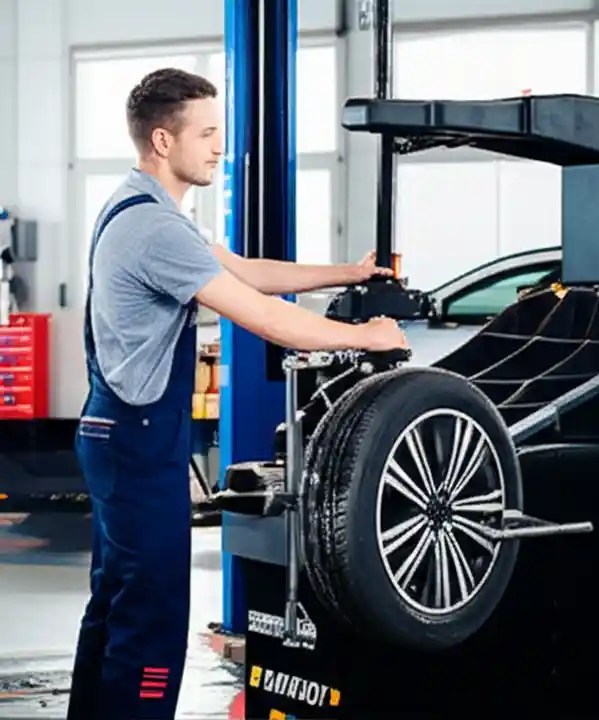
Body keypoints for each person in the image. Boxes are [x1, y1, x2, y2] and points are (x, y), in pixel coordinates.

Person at [66, 68, 408, 720]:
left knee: (114, 604)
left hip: (112, 432)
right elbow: (265, 318)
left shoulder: (138, 207)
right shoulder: (157, 231)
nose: (220, 146)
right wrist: (368, 335)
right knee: (153, 615)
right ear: (163, 141)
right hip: (137, 445)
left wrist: (349, 271)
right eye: (208, 132)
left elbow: (247, 271)